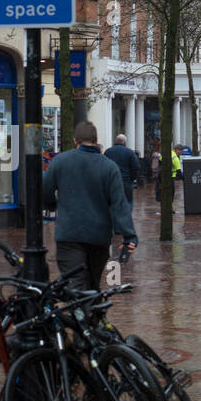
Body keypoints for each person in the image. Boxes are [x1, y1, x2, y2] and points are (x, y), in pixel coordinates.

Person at [42, 120, 137, 290]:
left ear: (75, 140)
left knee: (76, 287)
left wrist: (52, 206)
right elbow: (119, 205)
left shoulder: (61, 161)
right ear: (95, 140)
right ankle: (91, 314)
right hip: (98, 237)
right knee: (92, 285)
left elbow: (46, 191)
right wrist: (129, 235)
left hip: (69, 235)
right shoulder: (109, 167)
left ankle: (82, 314)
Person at [104, 133, 142, 203]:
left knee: (111, 202)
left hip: (111, 182)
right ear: (124, 142)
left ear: (115, 141)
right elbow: (136, 167)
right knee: (127, 203)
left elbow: (104, 166)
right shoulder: (130, 152)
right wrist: (132, 178)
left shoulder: (108, 152)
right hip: (126, 182)